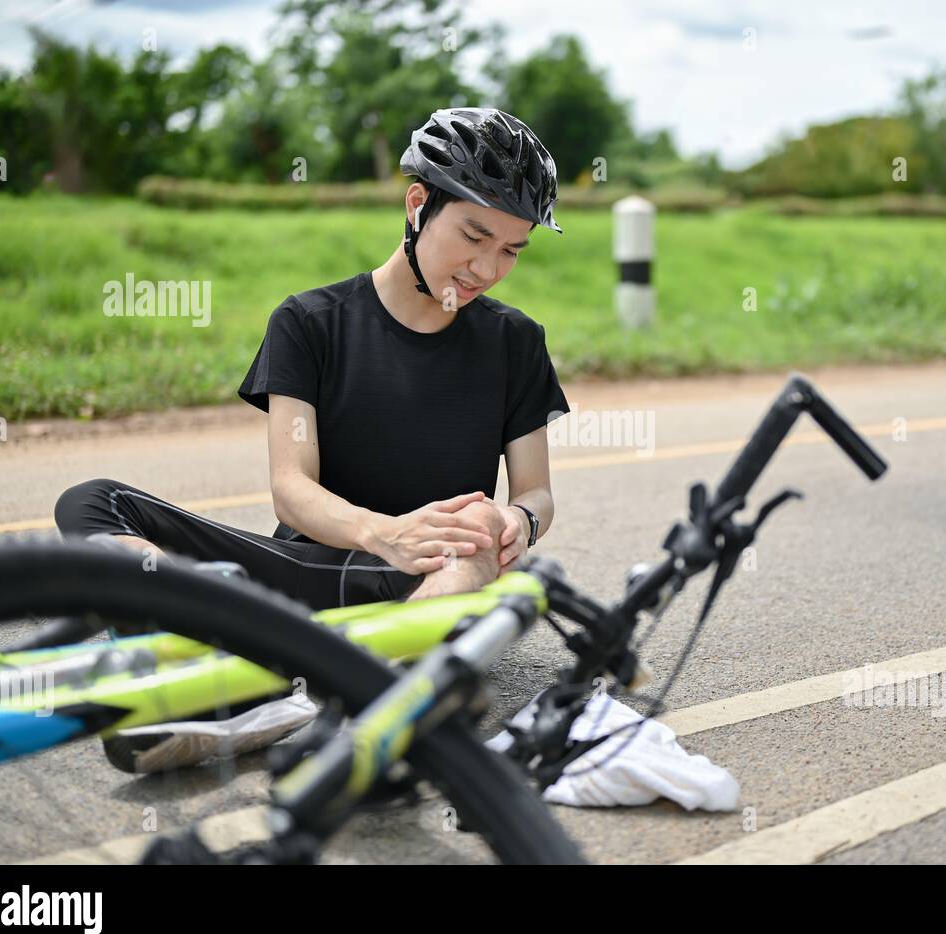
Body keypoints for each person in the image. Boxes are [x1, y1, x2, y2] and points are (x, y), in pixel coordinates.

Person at [53, 107, 571, 772]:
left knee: (476, 520)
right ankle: (209, 650)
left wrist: (518, 522)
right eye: (475, 236)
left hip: (421, 585)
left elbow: (535, 491)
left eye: (510, 250)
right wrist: (382, 531)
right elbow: (292, 487)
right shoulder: (310, 322)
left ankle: (319, 692)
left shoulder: (515, 342)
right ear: (418, 204)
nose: (488, 268)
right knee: (93, 499)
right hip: (301, 574)